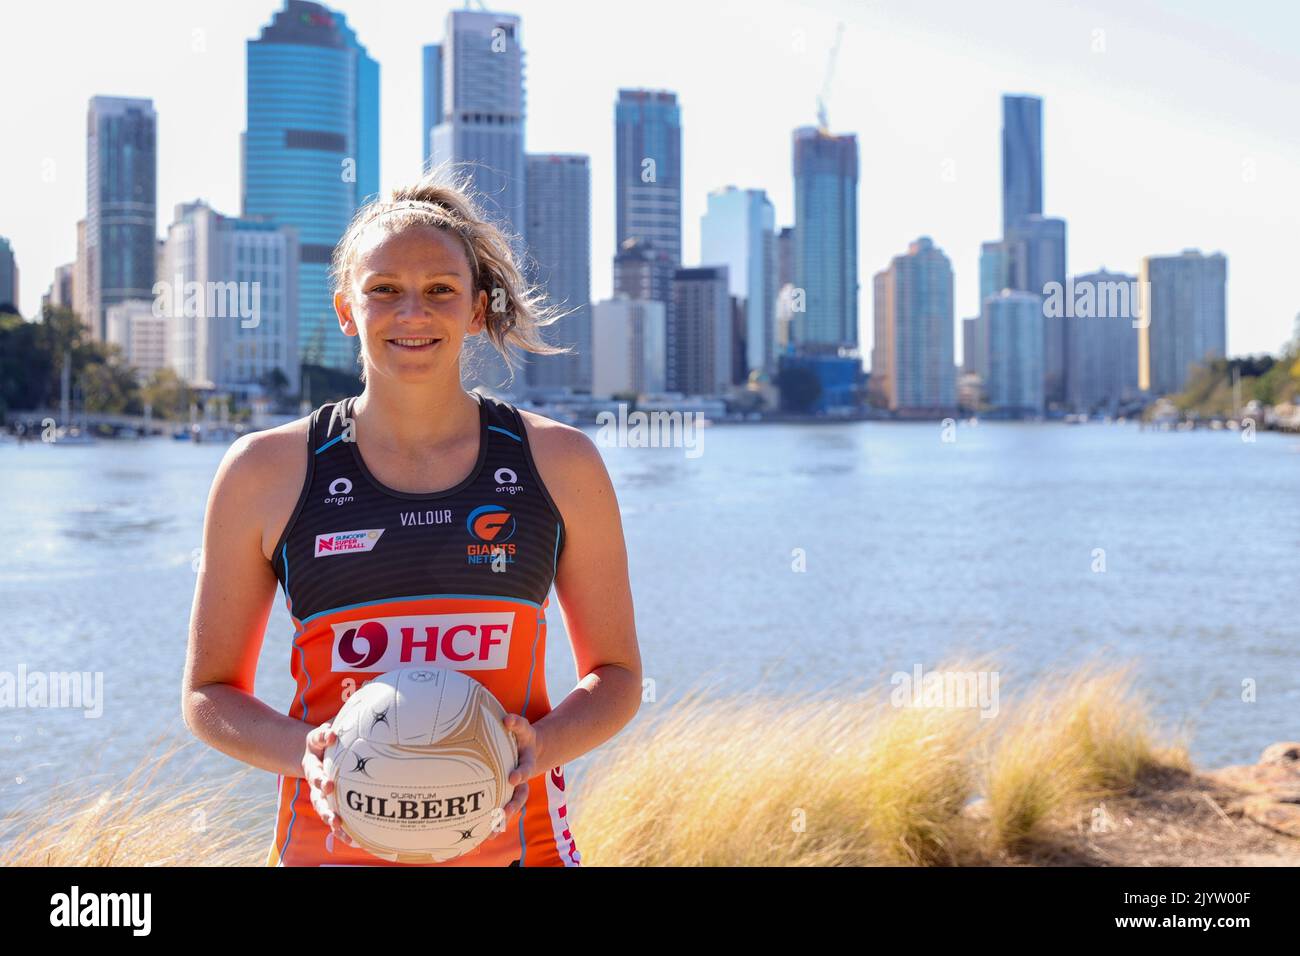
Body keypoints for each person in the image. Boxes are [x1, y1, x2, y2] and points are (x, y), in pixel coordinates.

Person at [181, 166, 642, 867]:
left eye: (440, 291)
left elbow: (616, 674)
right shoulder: (264, 472)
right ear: (345, 310)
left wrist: (537, 747)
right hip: (326, 850)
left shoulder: (561, 462)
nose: (413, 313)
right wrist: (304, 755)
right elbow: (209, 693)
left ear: (477, 309)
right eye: (385, 291)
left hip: (524, 849)